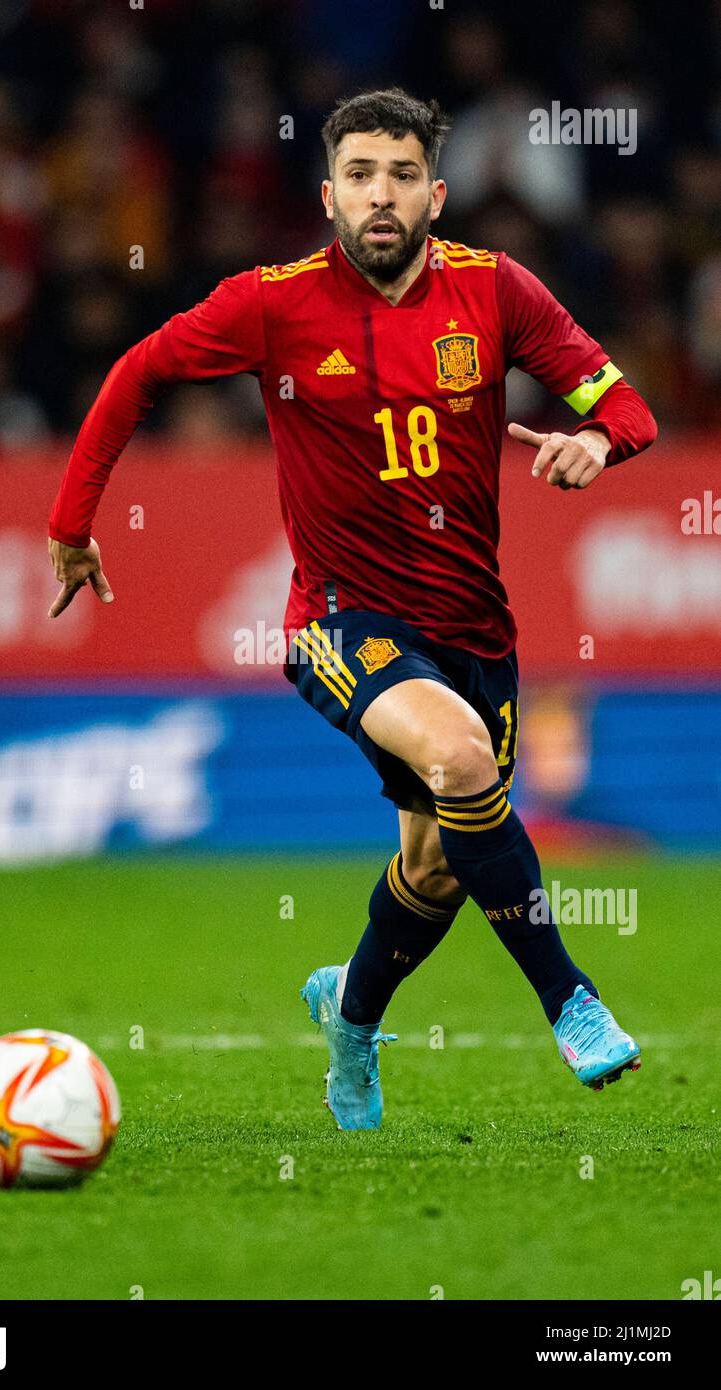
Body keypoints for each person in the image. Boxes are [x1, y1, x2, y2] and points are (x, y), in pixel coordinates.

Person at [47, 88, 657, 1129]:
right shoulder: (271, 304)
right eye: (361, 176)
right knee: (464, 765)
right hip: (338, 618)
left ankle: (350, 1011)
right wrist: (71, 521)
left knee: (438, 860)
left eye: (403, 175)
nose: (382, 196)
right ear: (328, 194)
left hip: (475, 626)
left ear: (436, 193)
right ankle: (571, 998)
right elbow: (136, 373)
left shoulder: (496, 292)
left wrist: (593, 443)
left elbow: (624, 407)